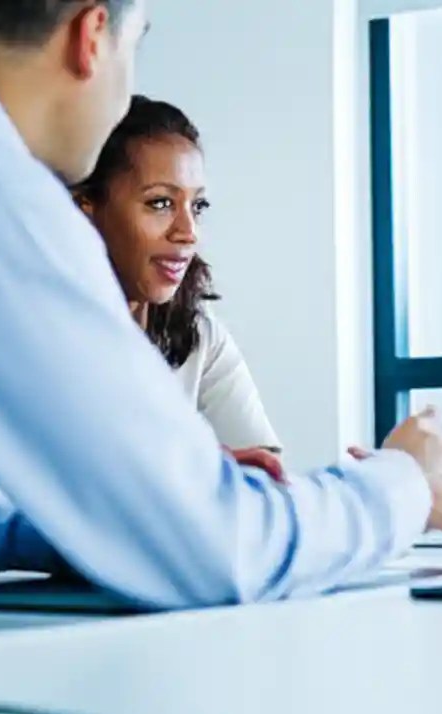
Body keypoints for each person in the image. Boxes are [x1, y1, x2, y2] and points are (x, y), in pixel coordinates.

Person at [0, 0, 442, 609]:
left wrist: (116, 507)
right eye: (139, 43)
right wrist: (407, 482)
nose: (186, 230)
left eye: (197, 206)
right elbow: (222, 550)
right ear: (93, 36)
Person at [72, 95, 282, 475]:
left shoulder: (200, 336)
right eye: (160, 203)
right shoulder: (35, 331)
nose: (189, 233)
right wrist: (202, 476)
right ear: (86, 203)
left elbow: (266, 479)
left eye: (197, 207)